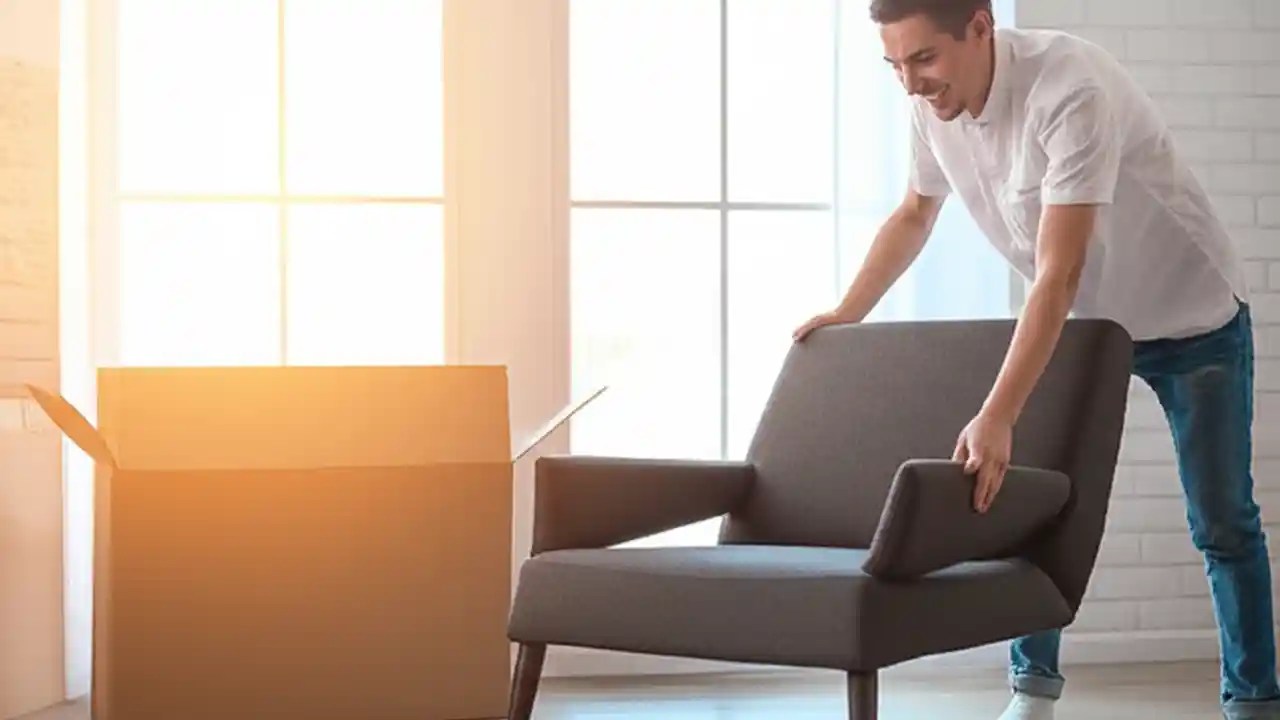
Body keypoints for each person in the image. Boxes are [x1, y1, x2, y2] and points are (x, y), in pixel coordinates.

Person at [792, 1, 1277, 718]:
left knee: (1222, 520)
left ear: (982, 28)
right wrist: (846, 311)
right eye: (894, 65)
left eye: (923, 59)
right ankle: (1032, 692)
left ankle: (1255, 701)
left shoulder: (1070, 89)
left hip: (1189, 317)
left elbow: (1057, 273)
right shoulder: (934, 102)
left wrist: (997, 412)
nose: (911, 84)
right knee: (1037, 510)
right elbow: (914, 213)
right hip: (1083, 324)